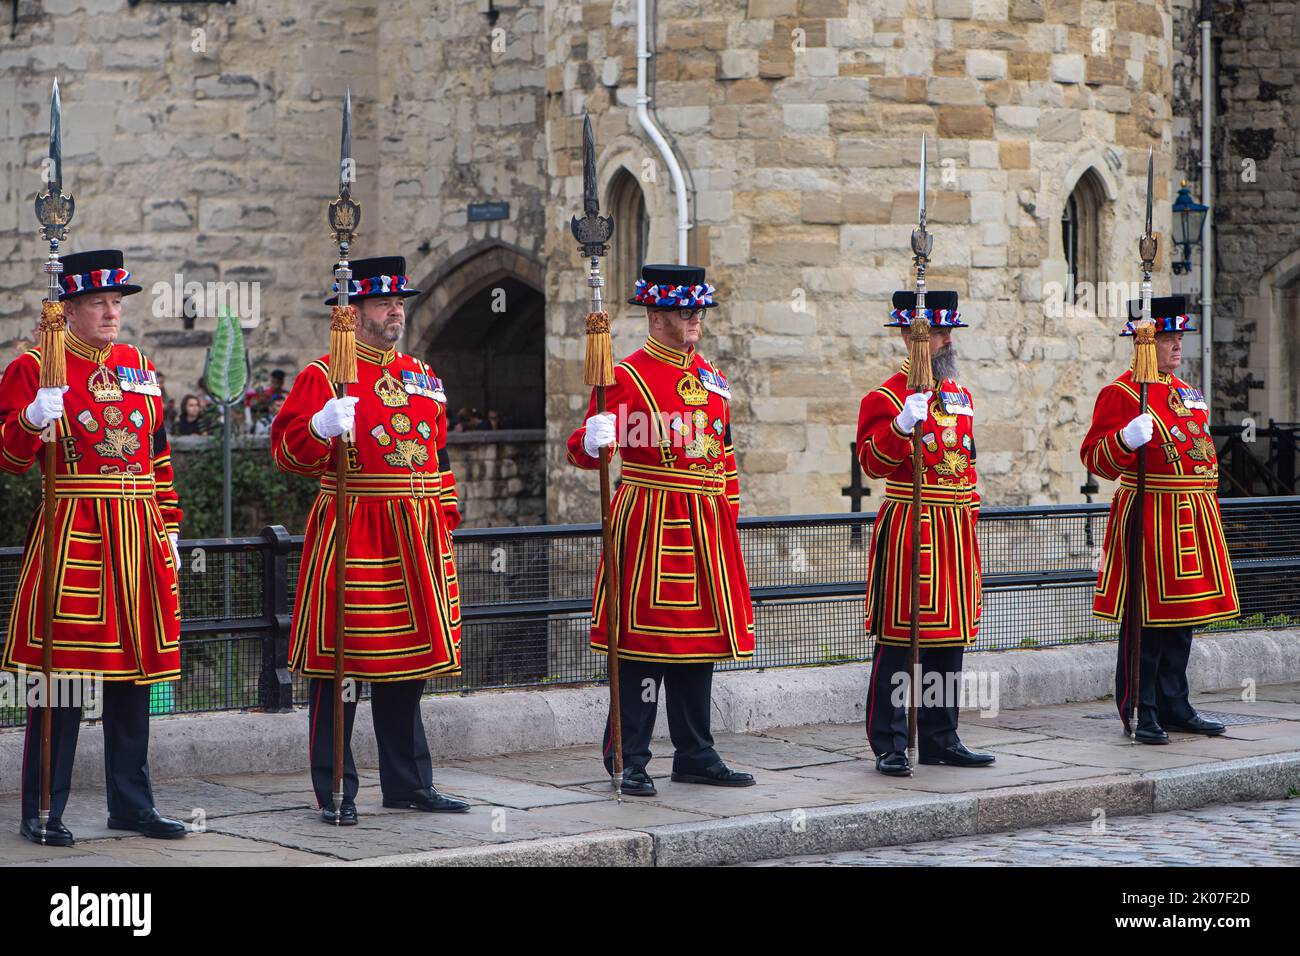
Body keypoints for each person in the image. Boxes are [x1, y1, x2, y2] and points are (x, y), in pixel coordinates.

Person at [271, 255, 469, 824]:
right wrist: (317, 428)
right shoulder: (323, 373)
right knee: (342, 666)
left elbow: (441, 454)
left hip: (415, 530)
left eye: (398, 302)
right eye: (383, 303)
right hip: (356, 524)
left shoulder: (423, 375)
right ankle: (335, 787)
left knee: (408, 666)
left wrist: (445, 516)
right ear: (351, 313)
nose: (395, 311)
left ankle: (409, 782)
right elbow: (285, 452)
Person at [0, 249, 188, 845]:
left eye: (116, 302)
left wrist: (171, 524)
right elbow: (8, 459)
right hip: (76, 528)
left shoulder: (137, 363)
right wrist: (30, 419)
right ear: (71, 308)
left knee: (134, 678)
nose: (111, 313)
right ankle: (42, 810)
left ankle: (131, 804)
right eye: (99, 303)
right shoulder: (36, 364)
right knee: (62, 681)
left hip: (138, 530)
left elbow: (158, 453)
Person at [568, 263, 755, 796]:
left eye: (698, 309)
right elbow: (588, 451)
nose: (695, 318)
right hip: (651, 520)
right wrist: (591, 438)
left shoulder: (711, 375)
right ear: (656, 315)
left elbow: (725, 451)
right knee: (644, 647)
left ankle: (696, 752)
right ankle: (629, 757)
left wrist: (728, 518)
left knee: (699, 645)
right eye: (684, 310)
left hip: (705, 523)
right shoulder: (627, 375)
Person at [1081, 296, 1239, 743]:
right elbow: (1096, 457)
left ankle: (1175, 703)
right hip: (1150, 514)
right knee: (1146, 619)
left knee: (1181, 618)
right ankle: (1139, 708)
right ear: (1144, 343)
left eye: (1179, 338)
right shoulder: (1123, 393)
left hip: (1191, 514)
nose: (1177, 346)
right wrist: (1125, 439)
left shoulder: (1187, 391)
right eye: (1168, 338)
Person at [855, 290, 994, 777]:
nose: (947, 341)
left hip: (954, 527)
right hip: (913, 526)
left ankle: (941, 734)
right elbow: (873, 461)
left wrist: (970, 515)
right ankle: (890, 740)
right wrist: (899, 425)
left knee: (948, 639)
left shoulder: (961, 395)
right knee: (899, 637)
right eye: (938, 333)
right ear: (913, 338)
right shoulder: (885, 397)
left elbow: (967, 463)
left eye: (949, 332)